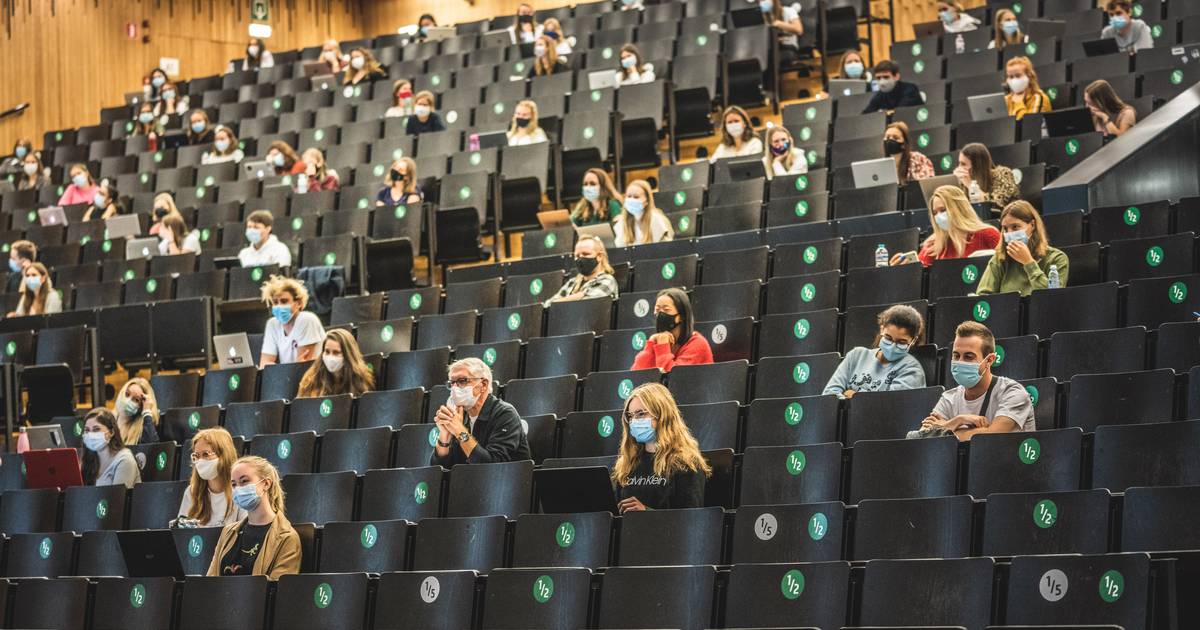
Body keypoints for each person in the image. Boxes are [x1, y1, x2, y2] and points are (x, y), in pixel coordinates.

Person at [916, 321, 1034, 440]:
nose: (960, 362)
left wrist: (945, 428)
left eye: (968, 357)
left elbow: (990, 439)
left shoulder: (1013, 392)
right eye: (956, 356)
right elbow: (922, 439)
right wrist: (959, 420)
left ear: (989, 360)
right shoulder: (949, 398)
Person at [611, 383, 710, 512]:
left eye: (640, 414)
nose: (634, 421)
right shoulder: (626, 464)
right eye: (630, 416)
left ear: (662, 415)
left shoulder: (686, 463)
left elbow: (689, 522)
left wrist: (647, 513)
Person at [208, 456, 301, 579]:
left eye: (244, 481)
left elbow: (277, 589)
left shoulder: (287, 538)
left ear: (266, 484)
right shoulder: (227, 532)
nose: (238, 489)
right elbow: (211, 580)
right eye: (234, 484)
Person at [431, 358, 532, 466]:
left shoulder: (505, 414)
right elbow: (440, 470)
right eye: (452, 383)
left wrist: (459, 431)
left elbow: (491, 466)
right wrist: (444, 436)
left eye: (462, 381)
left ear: (483, 385)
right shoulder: (460, 417)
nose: (454, 388)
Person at [822, 304, 926, 399]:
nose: (892, 346)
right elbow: (829, 396)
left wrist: (853, 395)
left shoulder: (912, 370)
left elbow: (887, 408)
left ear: (913, 341)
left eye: (901, 342)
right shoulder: (856, 355)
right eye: (888, 338)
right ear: (882, 330)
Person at [976, 200, 1070, 296]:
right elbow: (983, 296)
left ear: (1032, 225)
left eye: (1015, 227)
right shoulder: (1000, 258)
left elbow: (1052, 298)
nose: (1009, 233)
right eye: (1005, 228)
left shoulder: (1057, 258)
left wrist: (1029, 263)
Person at [904, 186, 1000, 267]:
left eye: (943, 210)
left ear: (959, 209)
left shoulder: (988, 234)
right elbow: (919, 275)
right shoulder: (933, 245)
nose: (938, 216)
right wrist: (905, 268)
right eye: (935, 213)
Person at [176, 428, 246, 528]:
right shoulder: (191, 492)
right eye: (196, 456)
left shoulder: (241, 492)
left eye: (206, 454)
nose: (200, 461)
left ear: (224, 456)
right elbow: (183, 534)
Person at [631, 288, 713, 372]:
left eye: (666, 310)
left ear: (681, 316)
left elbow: (673, 377)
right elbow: (637, 373)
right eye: (657, 309)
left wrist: (663, 346)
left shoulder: (698, 344)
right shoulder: (658, 341)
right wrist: (650, 345)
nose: (660, 314)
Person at [259, 275, 325, 367]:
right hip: (287, 377)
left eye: (284, 301)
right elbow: (264, 365)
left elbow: (302, 366)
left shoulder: (307, 320)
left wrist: (276, 369)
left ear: (298, 303)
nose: (279, 306)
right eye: (275, 302)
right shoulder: (272, 324)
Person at [296, 329, 375, 398]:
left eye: (336, 352)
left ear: (348, 355)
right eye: (327, 352)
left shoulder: (359, 379)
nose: (330, 357)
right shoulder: (310, 379)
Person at [546, 235, 619, 305]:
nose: (580, 259)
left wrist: (564, 300)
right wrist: (579, 296)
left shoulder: (607, 280)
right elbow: (548, 305)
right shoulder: (572, 282)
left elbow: (585, 305)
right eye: (577, 256)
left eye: (586, 254)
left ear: (599, 256)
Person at [81, 408, 141, 488]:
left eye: (96, 429)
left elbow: (118, 498)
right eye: (87, 430)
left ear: (111, 432)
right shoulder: (90, 459)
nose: (90, 434)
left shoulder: (125, 460)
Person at [954, 143, 1020, 209]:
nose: (959, 168)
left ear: (977, 166)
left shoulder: (1003, 174)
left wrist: (971, 186)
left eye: (963, 164)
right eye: (959, 163)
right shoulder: (963, 182)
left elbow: (995, 207)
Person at [614, 179, 673, 247]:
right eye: (629, 196)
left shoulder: (657, 220)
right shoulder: (621, 222)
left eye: (636, 197)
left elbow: (666, 248)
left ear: (647, 201)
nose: (631, 200)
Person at [113, 377, 160, 445]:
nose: (128, 401)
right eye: (127, 394)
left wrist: (146, 411)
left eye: (136, 400)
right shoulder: (108, 420)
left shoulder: (142, 430)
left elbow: (153, 448)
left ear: (141, 407)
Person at [761, 0, 804, 68]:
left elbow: (799, 30)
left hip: (787, 48)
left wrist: (779, 23)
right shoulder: (761, 16)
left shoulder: (788, 11)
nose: (762, 2)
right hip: (767, 50)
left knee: (770, 60)